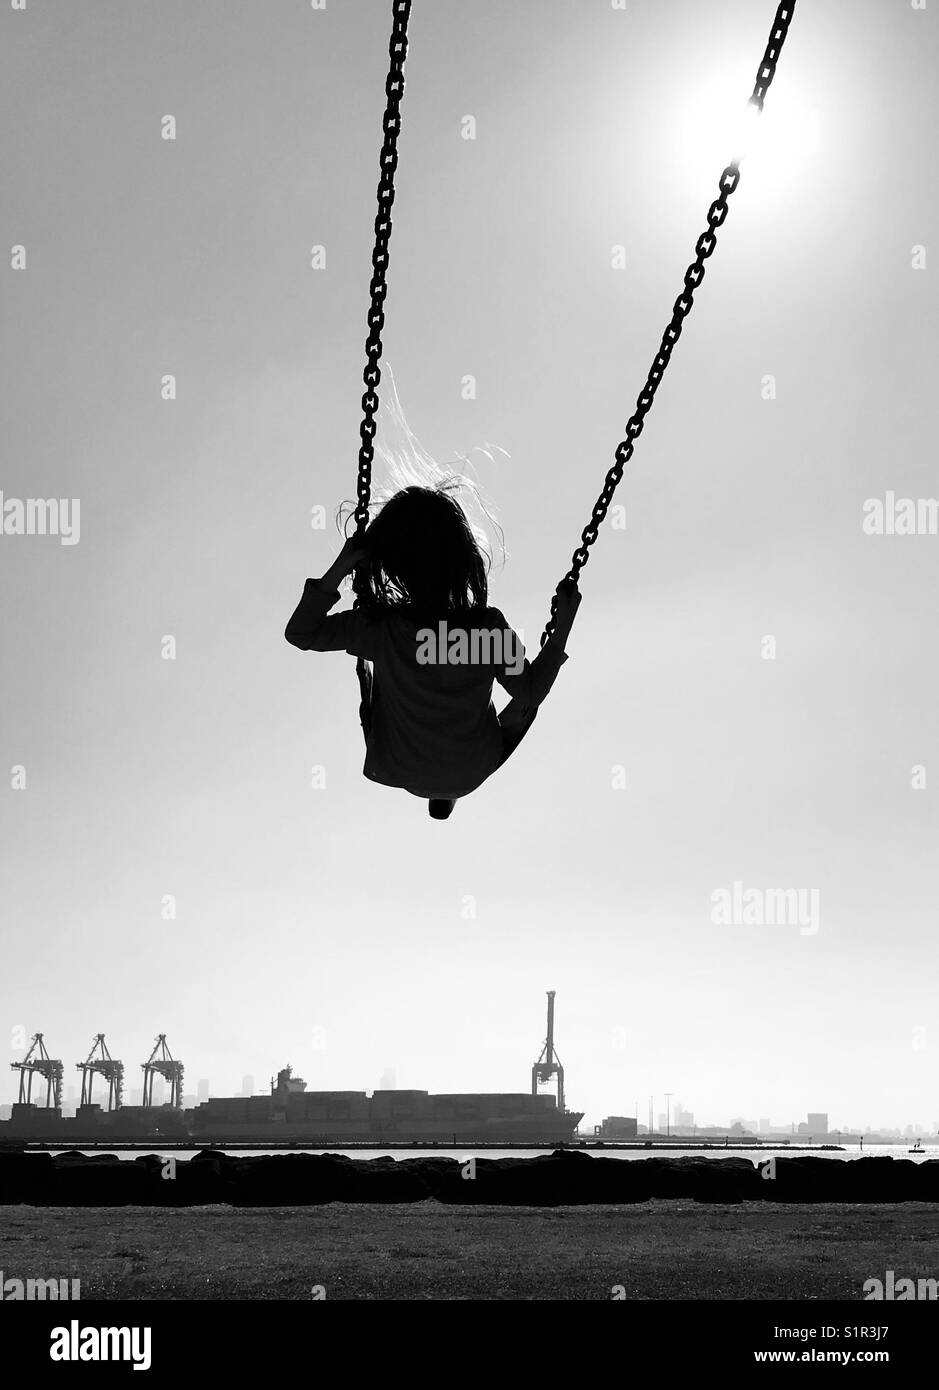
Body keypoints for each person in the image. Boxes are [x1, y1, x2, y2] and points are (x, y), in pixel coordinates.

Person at [285, 484, 580, 817]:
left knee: (377, 690)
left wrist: (343, 564)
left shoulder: (379, 628)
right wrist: (564, 623)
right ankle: (447, 778)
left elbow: (300, 632)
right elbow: (532, 691)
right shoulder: (487, 629)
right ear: (463, 559)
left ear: (392, 565)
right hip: (472, 768)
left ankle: (436, 772)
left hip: (402, 767)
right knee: (526, 705)